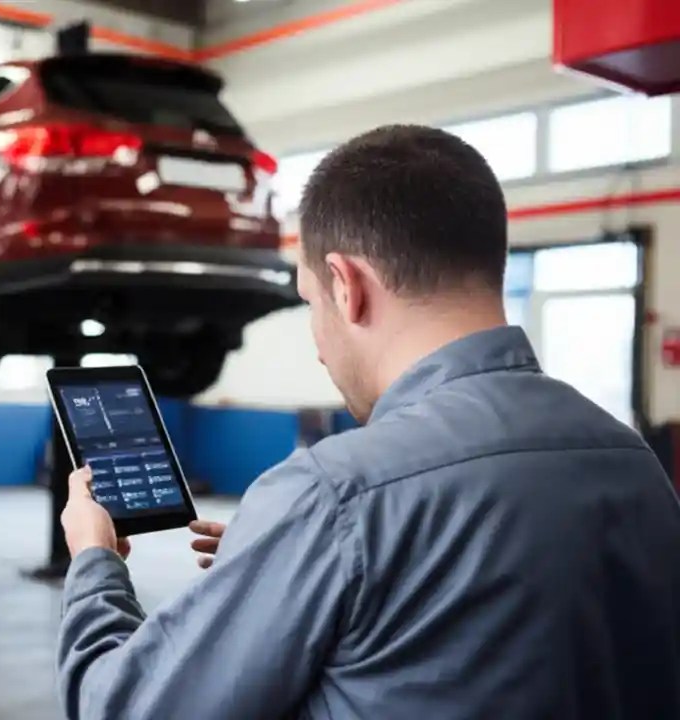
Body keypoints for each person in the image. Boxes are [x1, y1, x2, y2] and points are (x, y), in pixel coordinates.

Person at [57, 125, 680, 720]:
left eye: (309, 301)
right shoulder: (634, 462)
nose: (318, 342)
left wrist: (94, 560)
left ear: (347, 285)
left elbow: (119, 707)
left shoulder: (336, 492)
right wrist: (280, 556)